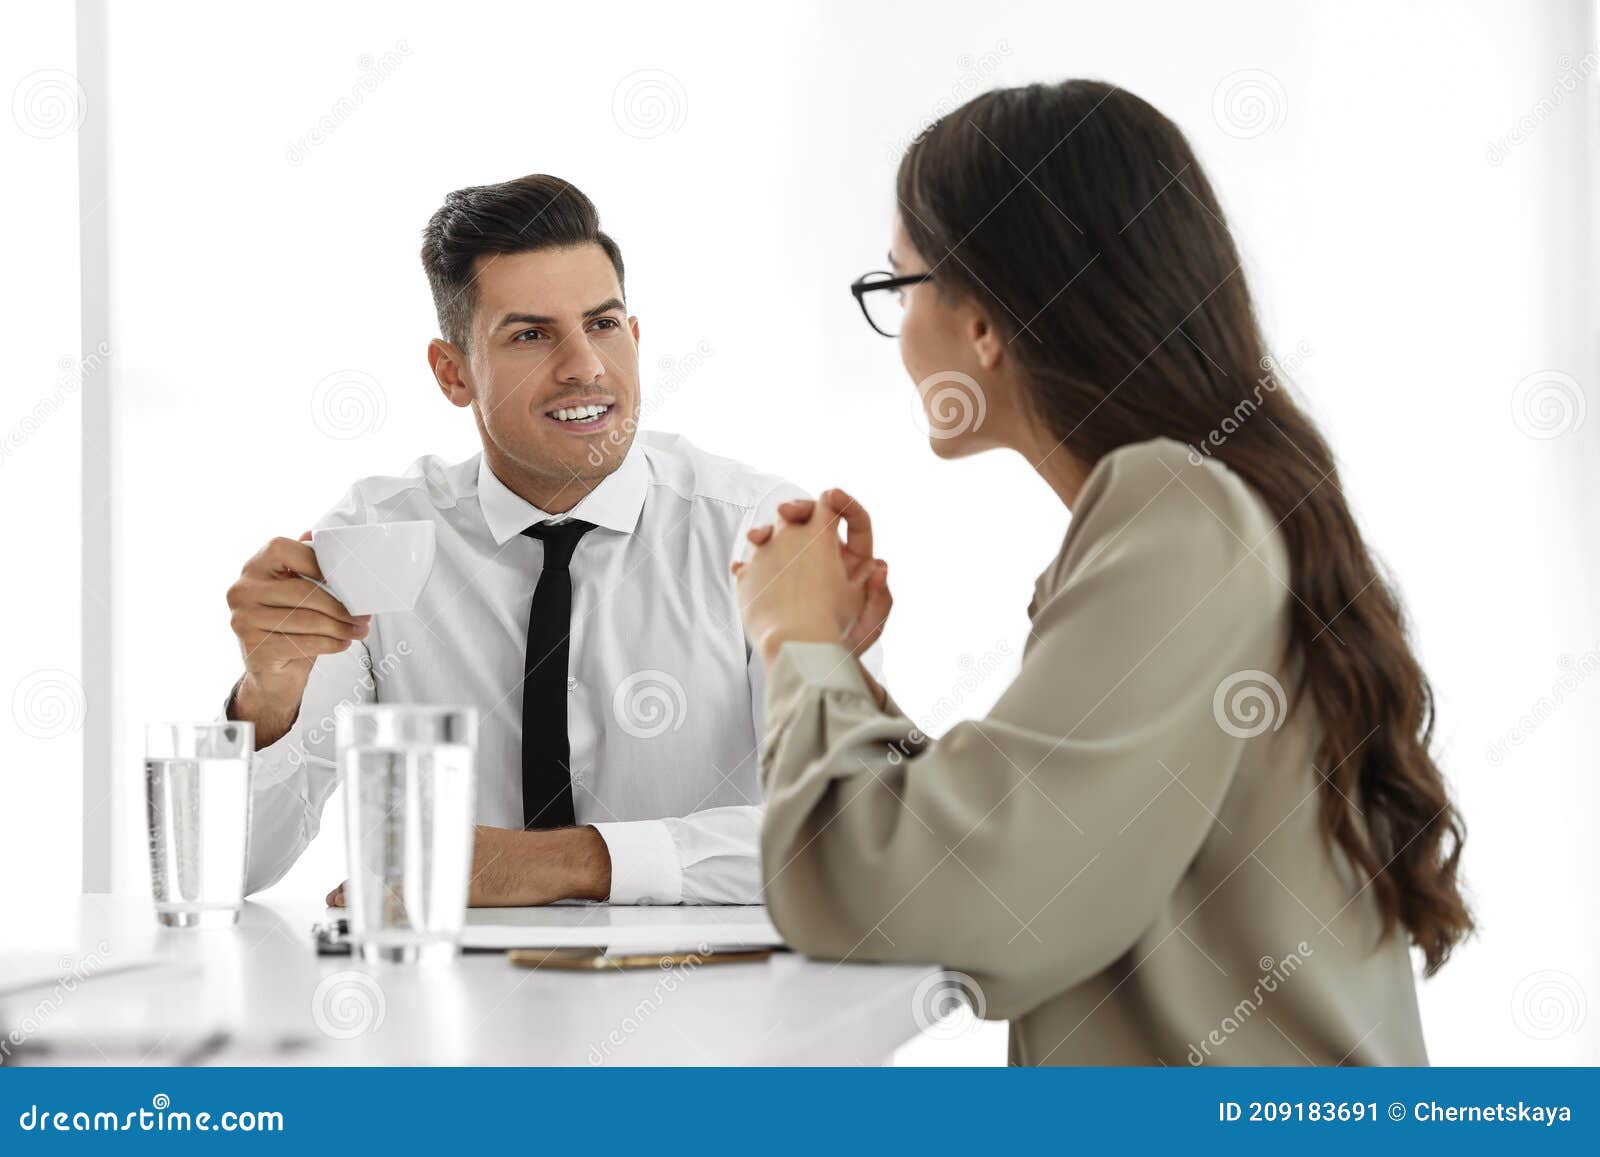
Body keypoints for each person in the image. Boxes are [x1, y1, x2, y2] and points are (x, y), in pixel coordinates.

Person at [733, 80, 1472, 1065]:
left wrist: (798, 641)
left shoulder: (1175, 509)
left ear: (984, 324)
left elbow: (942, 901)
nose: (898, 331)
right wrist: (847, 687)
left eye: (898, 284)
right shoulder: (1196, 504)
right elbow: (1056, 846)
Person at [226, 174, 817, 907]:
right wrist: (270, 692)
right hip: (444, 1008)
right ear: (453, 374)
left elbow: (848, 834)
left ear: (634, 338)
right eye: (531, 335)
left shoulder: (761, 531)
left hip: (703, 1003)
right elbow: (230, 868)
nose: (584, 368)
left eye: (602, 325)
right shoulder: (377, 541)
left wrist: (557, 863)